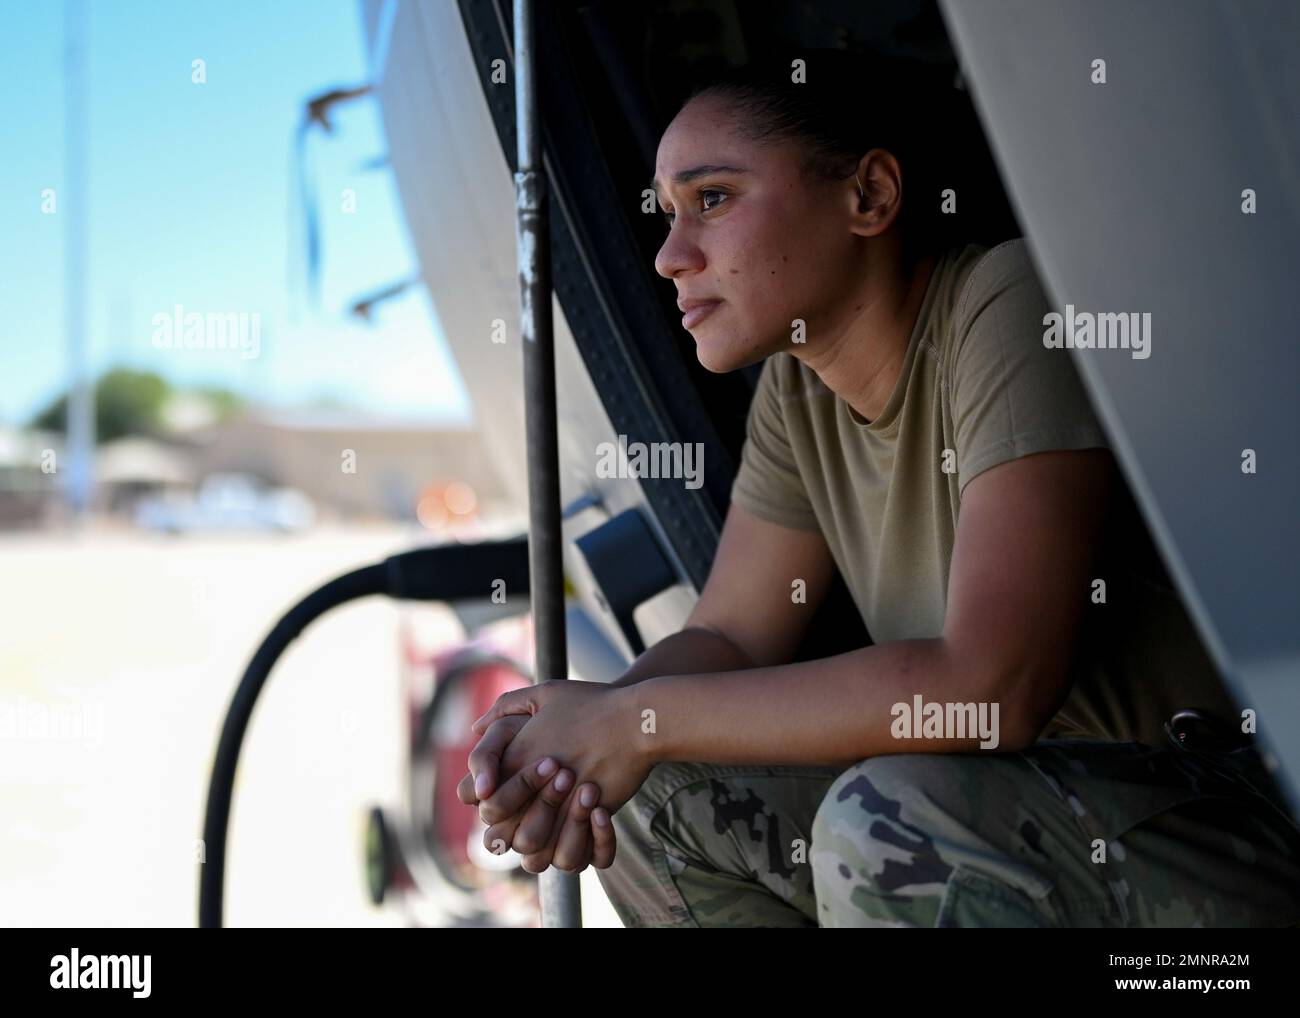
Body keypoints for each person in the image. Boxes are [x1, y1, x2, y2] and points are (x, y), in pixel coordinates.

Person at [457, 54, 1300, 927]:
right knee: (645, 801)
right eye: (667, 214)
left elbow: (989, 685)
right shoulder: (798, 391)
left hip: (1226, 831)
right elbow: (728, 633)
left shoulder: (1006, 303)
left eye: (712, 199)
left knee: (887, 821)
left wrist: (637, 721)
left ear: (870, 196)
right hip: (1025, 831)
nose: (671, 256)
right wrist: (581, 737)